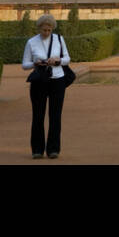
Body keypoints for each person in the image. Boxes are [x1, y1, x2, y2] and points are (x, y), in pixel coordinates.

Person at [22, 13, 71, 158]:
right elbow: (24, 65)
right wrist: (35, 63)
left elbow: (67, 58)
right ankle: (37, 150)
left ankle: (53, 149)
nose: (47, 33)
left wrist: (57, 61)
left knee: (55, 116)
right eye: (44, 30)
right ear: (39, 28)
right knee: (38, 115)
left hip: (58, 80)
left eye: (49, 30)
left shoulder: (59, 39)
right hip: (39, 81)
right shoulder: (31, 42)